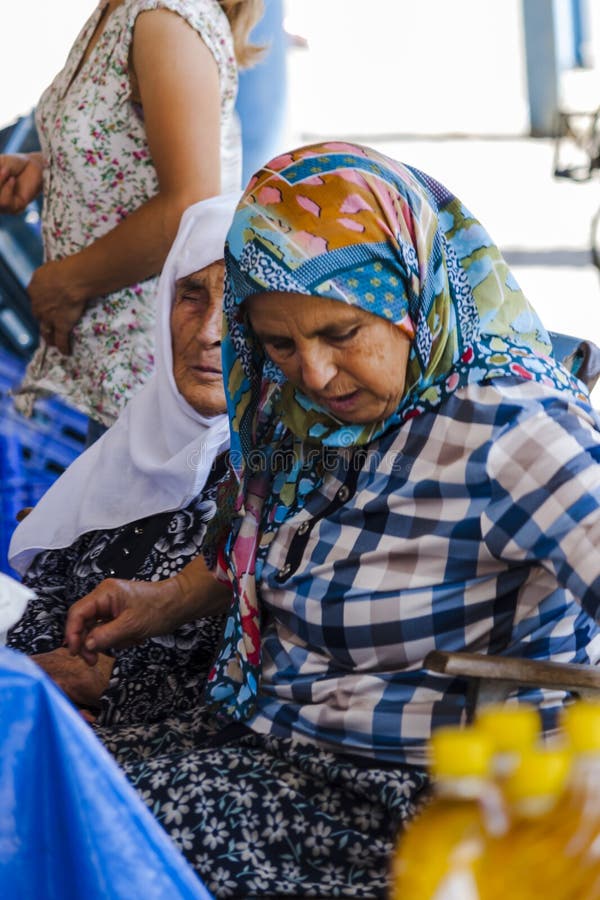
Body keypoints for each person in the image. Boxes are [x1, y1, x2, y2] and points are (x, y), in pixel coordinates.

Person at [64, 141, 600, 898]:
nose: (312, 374)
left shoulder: (513, 433)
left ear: (410, 299)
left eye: (340, 334)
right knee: (43, 779)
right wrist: (165, 601)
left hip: (405, 802)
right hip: (266, 737)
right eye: (281, 343)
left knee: (88, 835)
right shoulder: (306, 412)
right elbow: (285, 543)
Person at [7, 193, 239, 726]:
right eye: (191, 296)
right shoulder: (127, 444)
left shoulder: (284, 473)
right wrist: (50, 682)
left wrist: (105, 694)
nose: (208, 332)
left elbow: (258, 671)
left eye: (236, 307)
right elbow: (43, 596)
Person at [0, 0, 263, 439]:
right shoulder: (123, 10)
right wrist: (49, 165)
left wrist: (64, 284)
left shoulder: (165, 22)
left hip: (145, 368)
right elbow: (131, 144)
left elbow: (188, 202)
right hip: (108, 366)